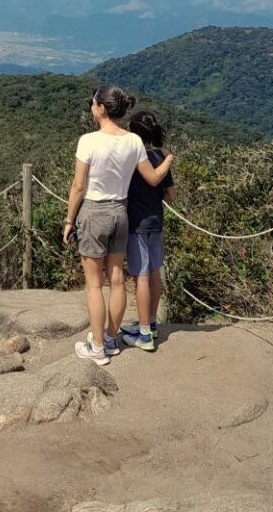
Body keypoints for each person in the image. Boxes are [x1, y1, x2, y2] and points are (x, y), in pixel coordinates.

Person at [61, 86, 174, 365]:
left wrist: (68, 220)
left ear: (101, 108)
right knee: (117, 280)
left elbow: (78, 186)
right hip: (121, 214)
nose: (91, 108)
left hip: (94, 212)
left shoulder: (88, 140)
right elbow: (152, 177)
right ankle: (111, 338)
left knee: (93, 285)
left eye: (93, 104)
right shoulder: (133, 141)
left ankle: (97, 346)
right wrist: (169, 159)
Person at [120, 111, 175, 352]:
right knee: (154, 272)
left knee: (140, 276)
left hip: (137, 224)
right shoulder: (160, 156)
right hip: (156, 222)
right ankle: (150, 324)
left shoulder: (132, 156)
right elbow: (171, 196)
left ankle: (144, 334)